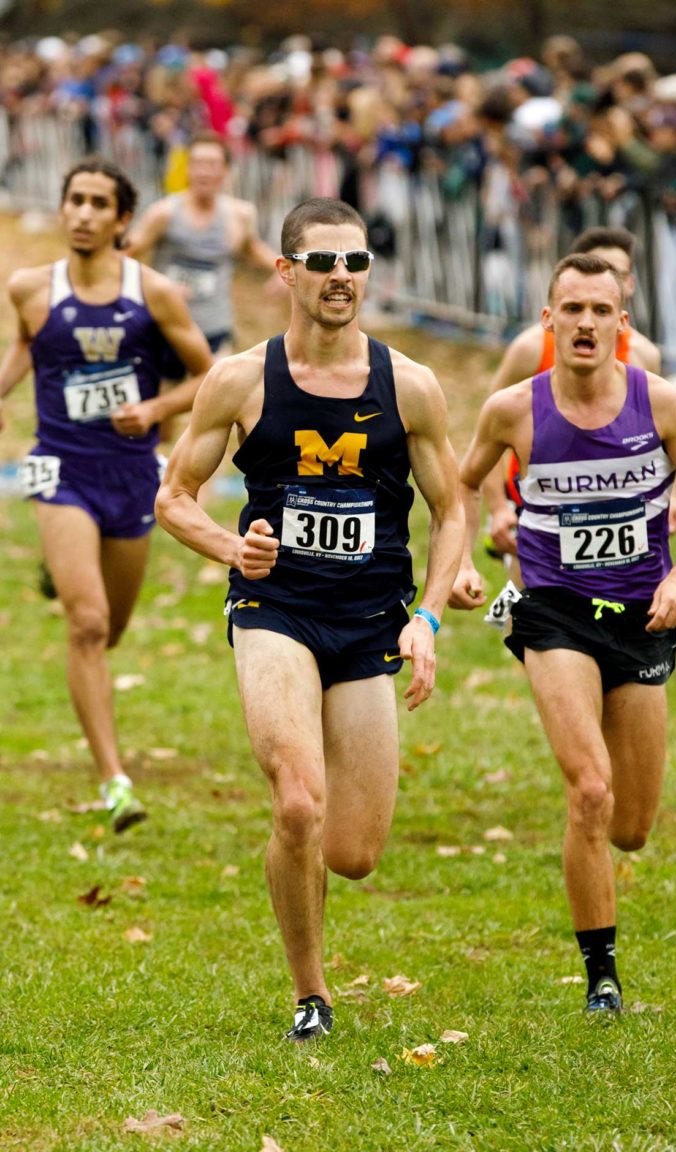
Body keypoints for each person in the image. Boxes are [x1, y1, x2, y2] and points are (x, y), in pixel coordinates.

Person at [155, 197, 464, 1041]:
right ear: (285, 271)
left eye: (355, 262)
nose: (340, 277)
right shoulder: (241, 380)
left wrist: (428, 619)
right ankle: (312, 993)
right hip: (277, 608)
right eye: (323, 262)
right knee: (297, 803)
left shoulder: (410, 386)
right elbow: (174, 497)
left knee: (353, 853)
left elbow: (452, 511)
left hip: (369, 619)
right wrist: (233, 548)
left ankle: (307, 878)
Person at [451, 253, 676, 1014]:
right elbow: (460, 482)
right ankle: (601, 975)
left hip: (641, 615)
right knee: (590, 790)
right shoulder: (512, 409)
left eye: (599, 310)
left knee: (632, 827)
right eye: (571, 308)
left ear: (621, 323)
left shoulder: (659, 401)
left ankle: (601, 869)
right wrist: (469, 552)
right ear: (549, 320)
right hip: (554, 611)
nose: (585, 322)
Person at [0, 156, 213, 832]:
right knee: (87, 624)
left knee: (111, 629)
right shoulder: (30, 287)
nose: (84, 214)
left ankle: (64, 573)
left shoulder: (156, 294)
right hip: (56, 466)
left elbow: (208, 377)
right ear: (64, 208)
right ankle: (115, 781)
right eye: (76, 200)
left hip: (132, 472)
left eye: (99, 204)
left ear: (123, 219)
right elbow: (28, 346)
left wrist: (154, 410)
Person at [482, 226, 676, 584]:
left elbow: (666, 436)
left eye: (616, 273)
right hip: (535, 494)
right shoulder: (532, 348)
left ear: (629, 284)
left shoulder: (644, 355)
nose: (601, 279)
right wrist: (498, 507)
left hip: (614, 499)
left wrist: (674, 496)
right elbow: (491, 429)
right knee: (534, 598)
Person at [124, 129, 282, 369]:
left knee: (218, 386)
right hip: (168, 328)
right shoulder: (163, 213)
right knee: (170, 391)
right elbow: (123, 255)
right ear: (187, 169)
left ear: (226, 171)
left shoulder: (239, 215)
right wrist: (156, 286)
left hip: (215, 327)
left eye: (212, 164)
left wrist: (284, 268)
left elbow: (251, 248)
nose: (203, 172)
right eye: (197, 164)